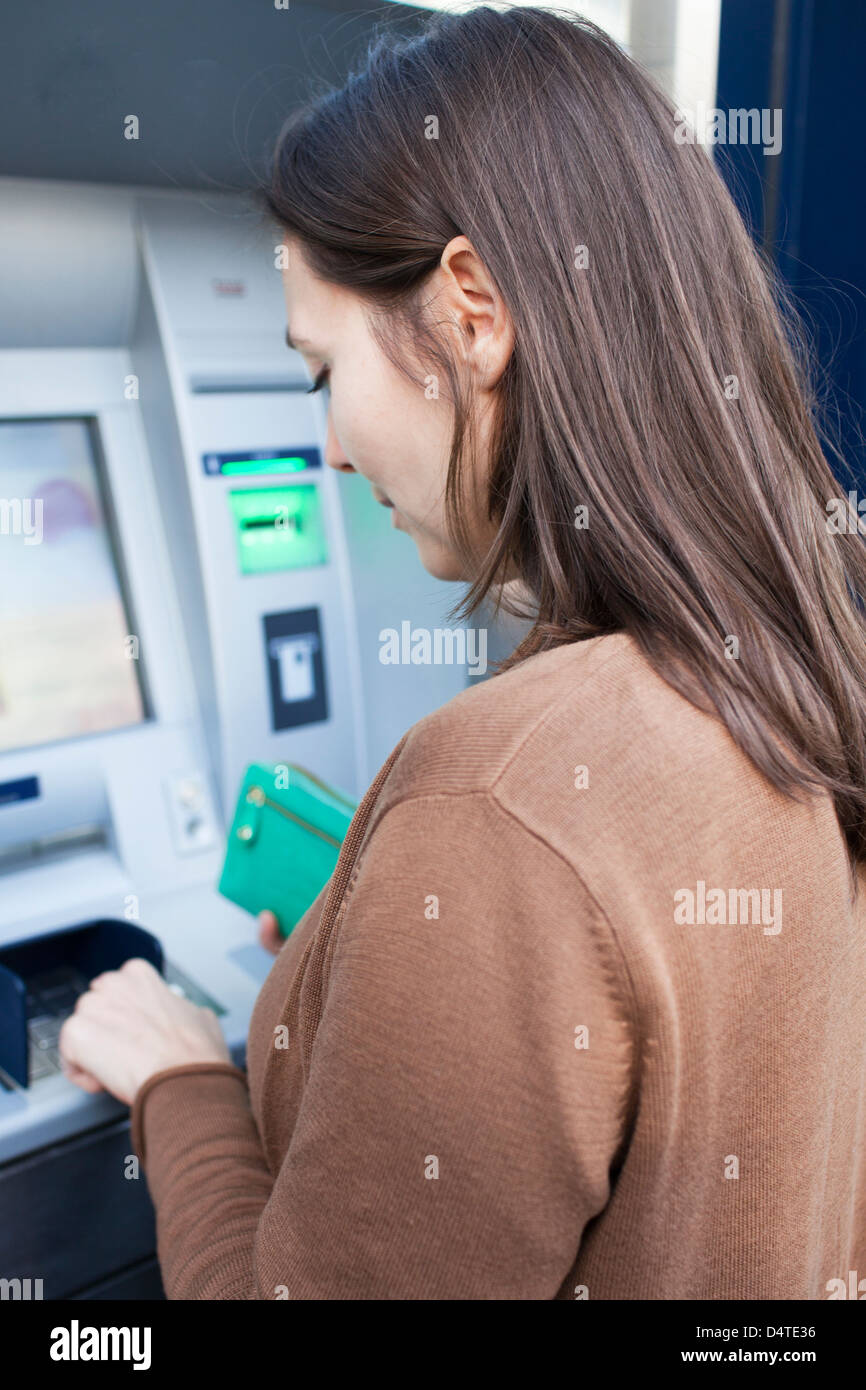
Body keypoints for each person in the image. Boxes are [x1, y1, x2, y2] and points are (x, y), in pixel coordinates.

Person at [59, 6, 866, 1299]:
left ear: (471, 311)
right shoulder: (786, 663)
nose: (322, 444)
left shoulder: (503, 794)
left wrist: (184, 1079)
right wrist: (376, 982)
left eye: (321, 372)